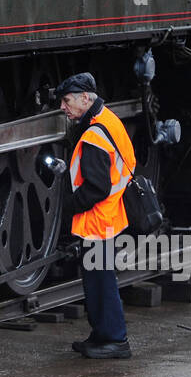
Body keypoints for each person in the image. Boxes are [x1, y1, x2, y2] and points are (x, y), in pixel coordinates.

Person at [55, 72, 136, 359]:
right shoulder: (108, 120)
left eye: (66, 101)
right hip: (109, 216)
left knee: (101, 281)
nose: (63, 108)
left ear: (85, 98)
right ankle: (102, 334)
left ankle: (116, 339)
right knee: (100, 280)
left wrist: (68, 206)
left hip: (97, 220)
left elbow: (97, 187)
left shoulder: (94, 135)